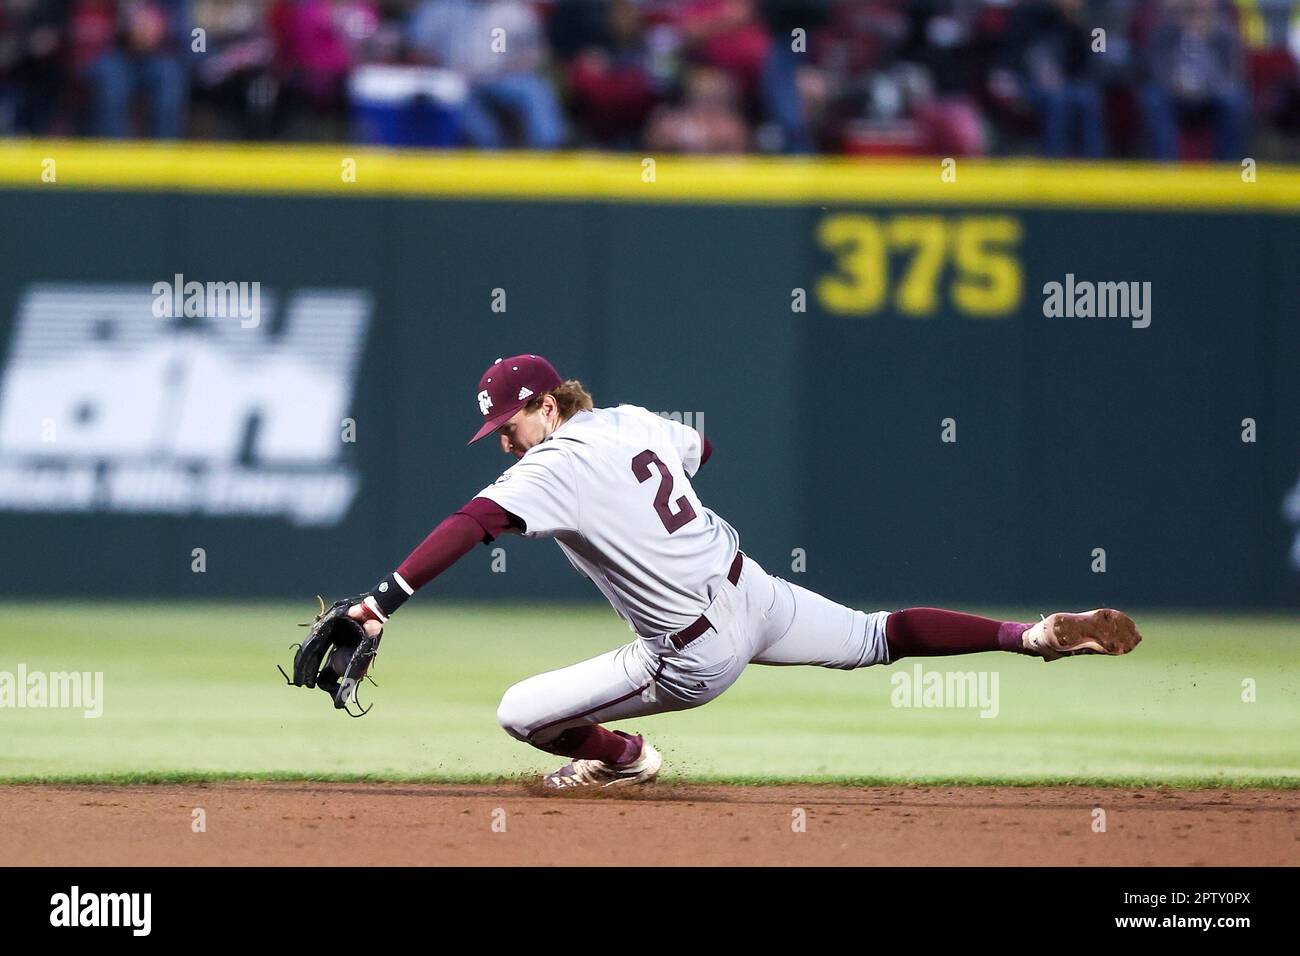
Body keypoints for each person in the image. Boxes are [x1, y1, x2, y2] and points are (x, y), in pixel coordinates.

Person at [344, 354, 1142, 789]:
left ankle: (625, 760)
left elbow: (470, 524)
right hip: (752, 590)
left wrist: (379, 605)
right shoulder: (628, 420)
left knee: (519, 714)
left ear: (548, 407)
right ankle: (1029, 636)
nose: (504, 439)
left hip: (692, 649)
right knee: (877, 636)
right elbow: (701, 449)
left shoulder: (552, 463)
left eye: (509, 423)